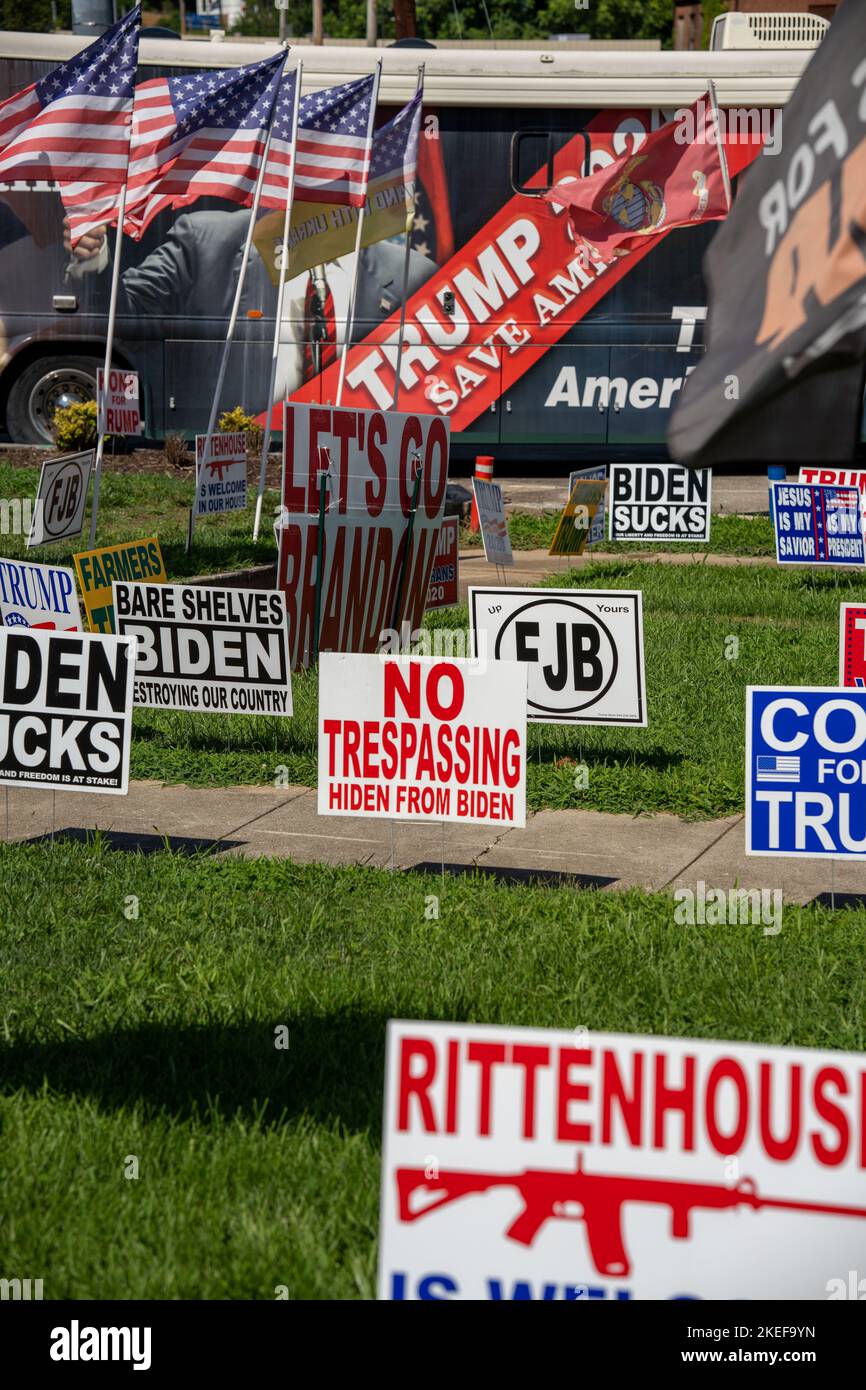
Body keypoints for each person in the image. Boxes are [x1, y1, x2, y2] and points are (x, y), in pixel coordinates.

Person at [64, 207, 437, 402]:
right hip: (249, 450)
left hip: (358, 453)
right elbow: (129, 316)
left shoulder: (413, 275)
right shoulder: (208, 241)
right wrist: (94, 264)